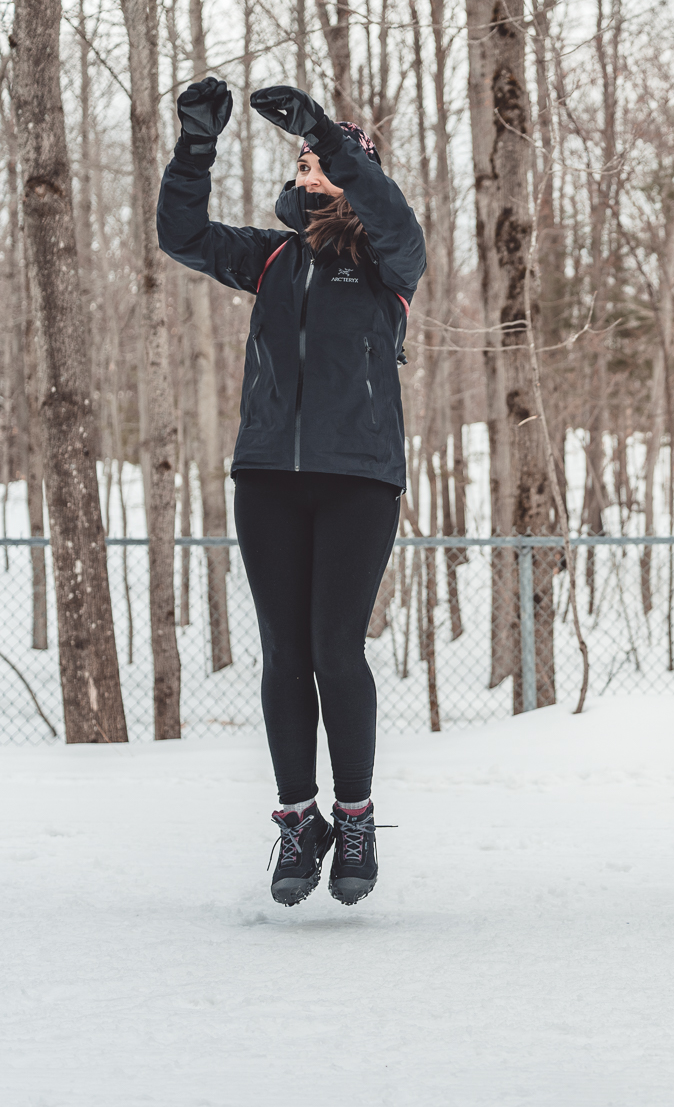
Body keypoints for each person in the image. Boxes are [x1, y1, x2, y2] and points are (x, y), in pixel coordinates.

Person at [158, 79, 425, 907]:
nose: (311, 172)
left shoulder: (388, 260)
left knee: (336, 649)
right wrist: (196, 148)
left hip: (358, 478)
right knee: (284, 651)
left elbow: (389, 214)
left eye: (325, 161)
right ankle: (297, 819)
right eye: (303, 161)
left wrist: (327, 133)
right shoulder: (270, 254)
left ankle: (353, 816)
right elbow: (182, 235)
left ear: (356, 170)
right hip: (269, 474)